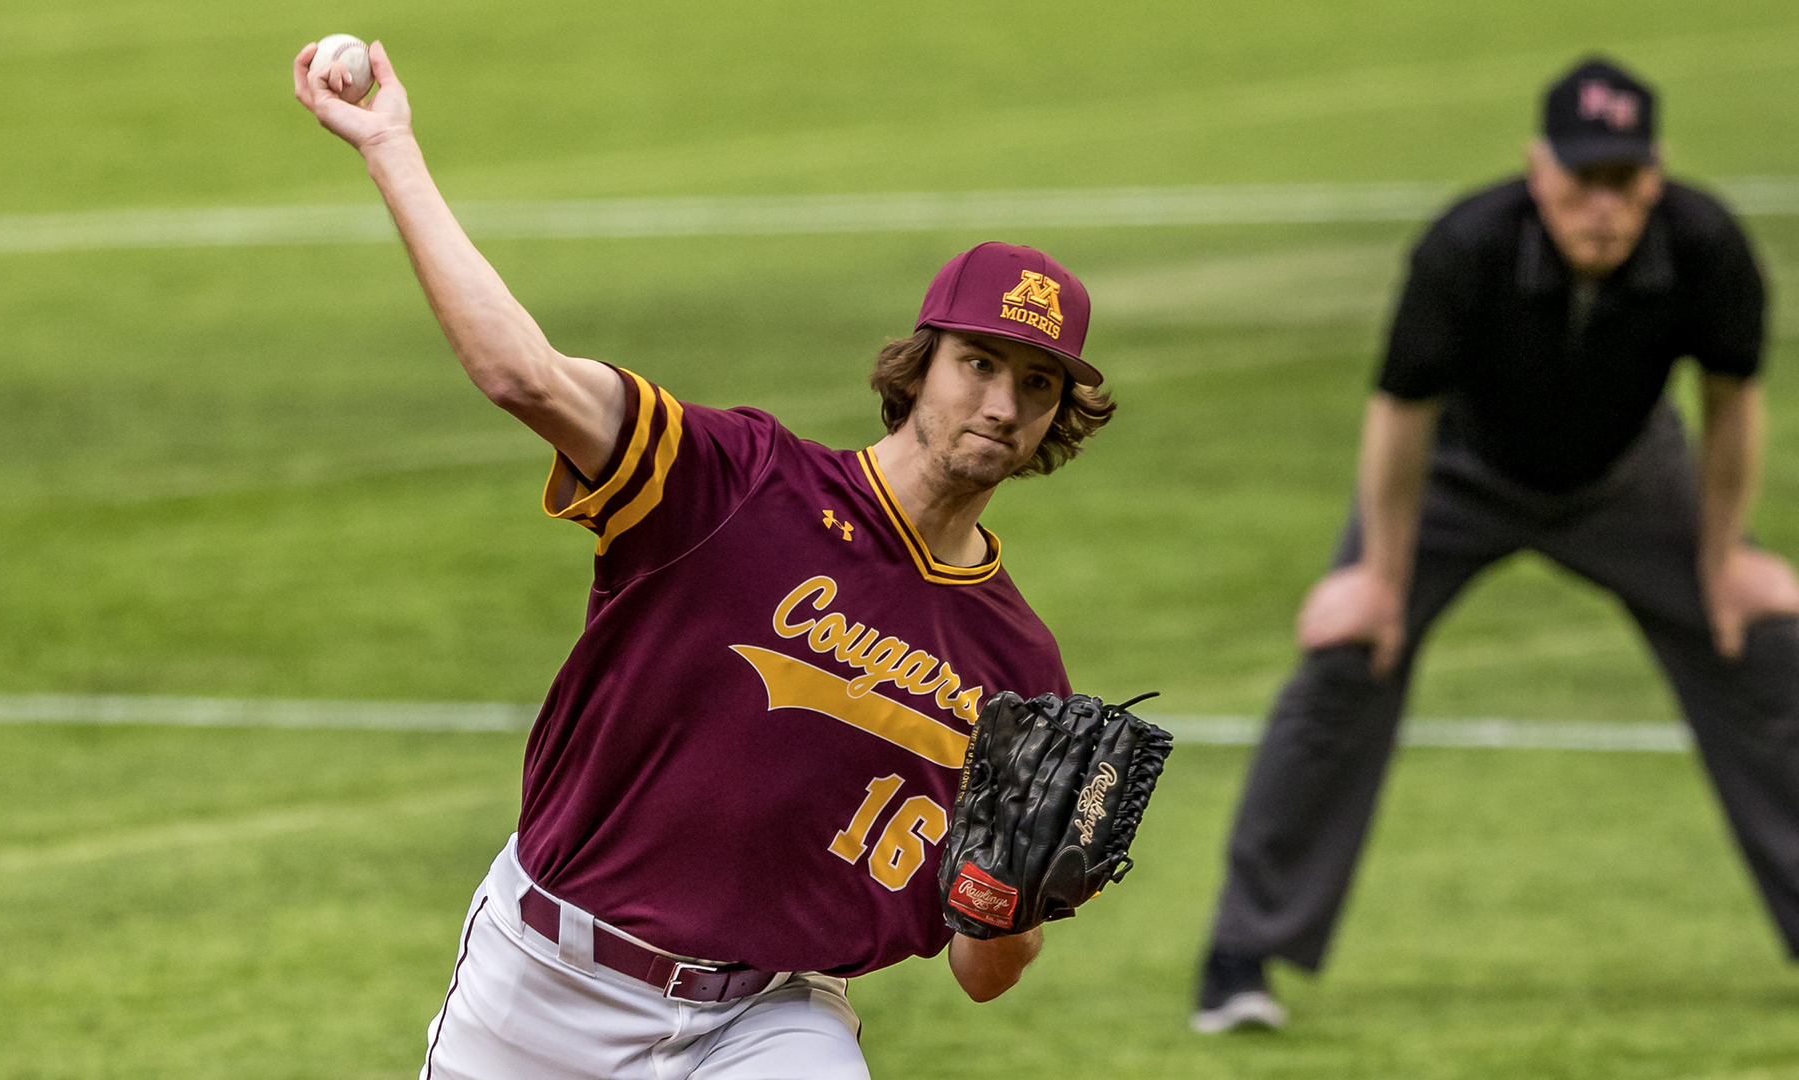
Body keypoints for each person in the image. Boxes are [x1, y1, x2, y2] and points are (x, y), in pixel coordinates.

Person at [293, 40, 1117, 1079]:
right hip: (543, 981)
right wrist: (391, 148)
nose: (1001, 405)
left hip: (765, 1022)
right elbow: (520, 374)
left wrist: (1011, 902)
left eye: (1037, 387)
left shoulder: (1019, 667)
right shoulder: (734, 480)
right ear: (920, 366)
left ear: (1058, 420)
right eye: (980, 363)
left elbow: (983, 971)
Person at [1193, 56, 1799, 1034]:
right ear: (1536, 167)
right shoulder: (1467, 246)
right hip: (1454, 477)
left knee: (1764, 643)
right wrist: (1379, 578)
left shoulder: (1705, 244)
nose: (1602, 207)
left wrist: (1726, 559)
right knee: (1349, 650)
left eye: (1625, 183)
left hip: (1631, 479)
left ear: (1657, 174)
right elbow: (1400, 414)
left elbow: (1732, 405)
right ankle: (1240, 959)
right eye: (1580, 181)